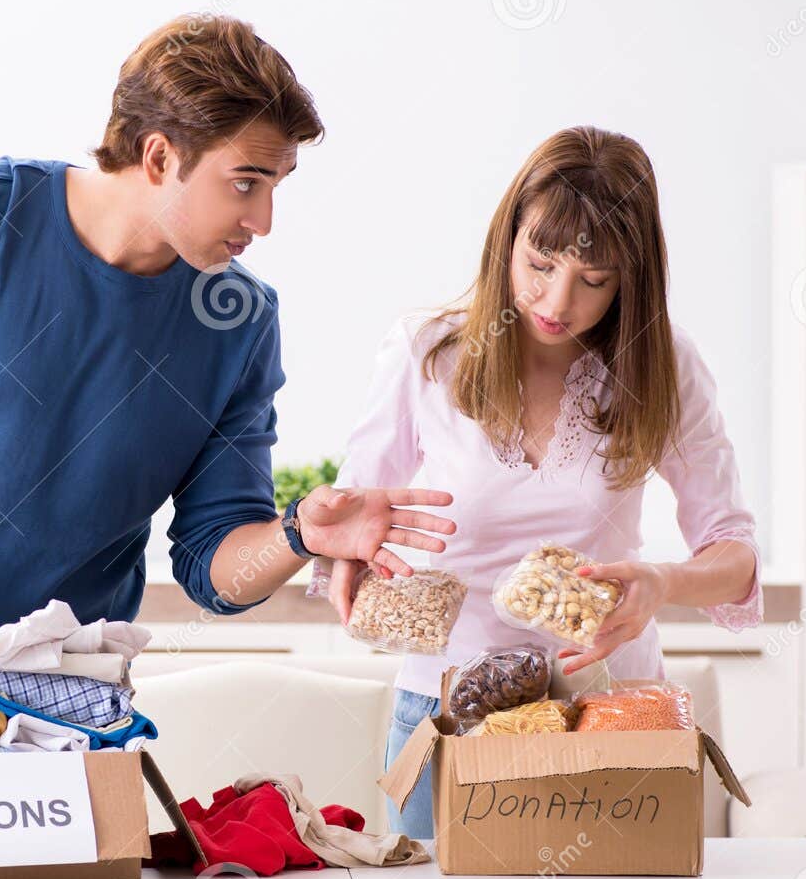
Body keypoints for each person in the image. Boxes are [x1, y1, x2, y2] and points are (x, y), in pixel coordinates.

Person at [0, 13, 455, 675]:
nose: (264, 221)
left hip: (62, 684)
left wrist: (296, 535)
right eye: (246, 183)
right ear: (160, 156)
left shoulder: (238, 321)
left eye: (276, 187)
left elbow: (212, 565)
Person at [312, 126, 762, 839]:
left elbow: (733, 555)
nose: (557, 300)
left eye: (594, 280)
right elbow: (351, 520)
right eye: (539, 262)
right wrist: (344, 552)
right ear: (507, 240)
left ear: (631, 279)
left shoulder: (665, 365)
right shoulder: (428, 353)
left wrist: (662, 584)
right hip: (449, 714)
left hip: (611, 708)